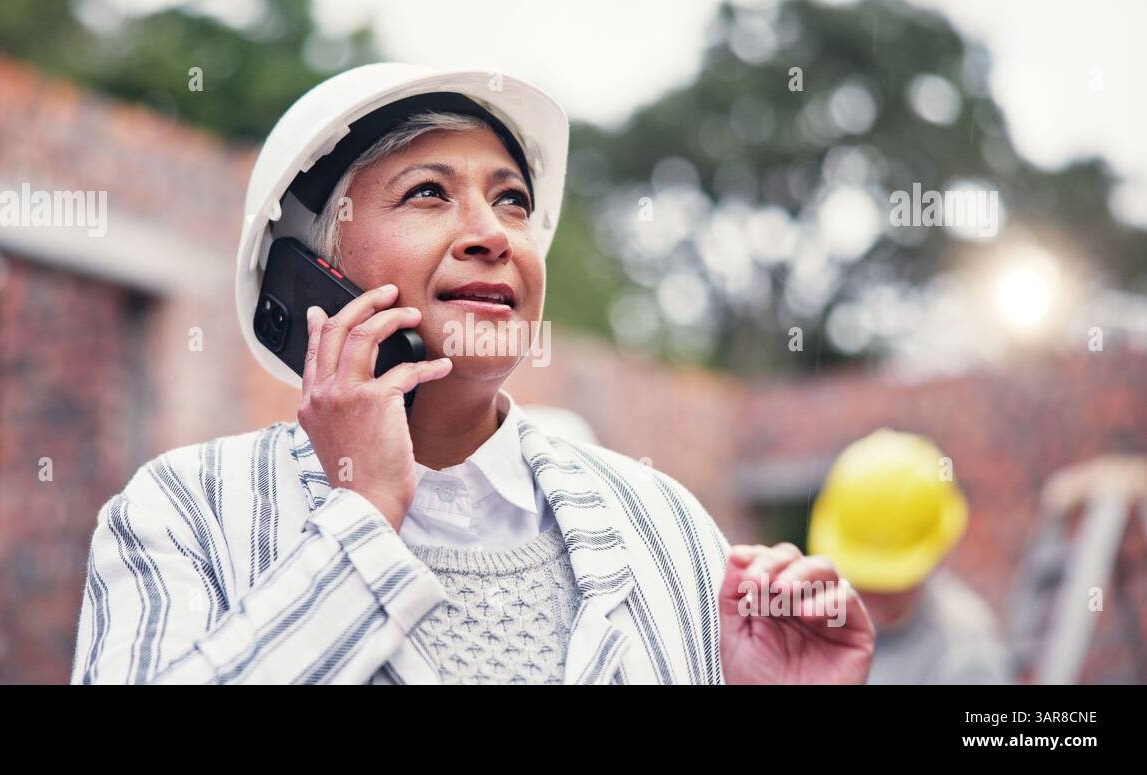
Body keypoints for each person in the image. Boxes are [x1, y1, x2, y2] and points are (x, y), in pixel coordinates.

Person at [70, 63, 875, 684]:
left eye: (514, 201)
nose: (493, 234)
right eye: (427, 193)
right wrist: (363, 517)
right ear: (307, 274)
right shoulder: (182, 513)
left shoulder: (667, 524)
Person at [808, 428, 1015, 684]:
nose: (873, 593)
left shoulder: (966, 653)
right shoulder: (821, 627)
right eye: (865, 578)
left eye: (890, 585)